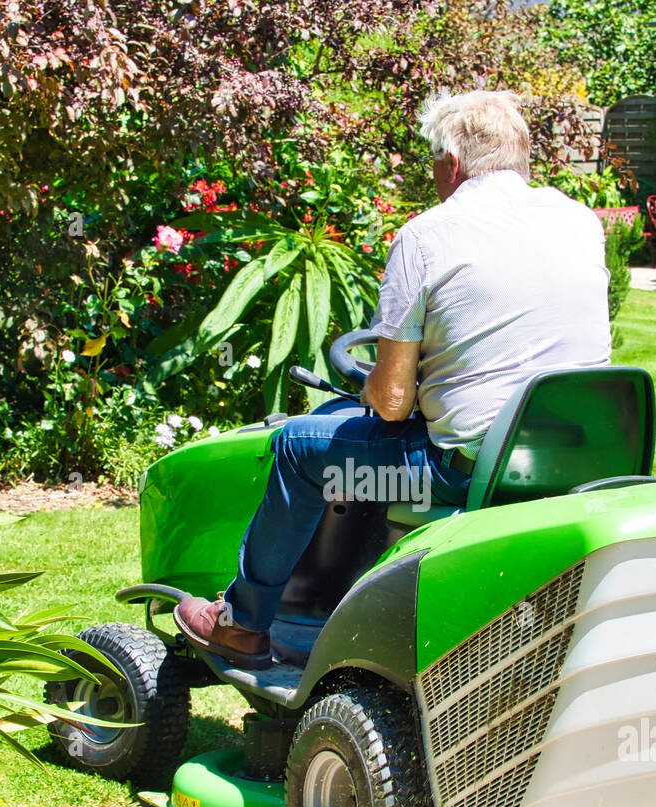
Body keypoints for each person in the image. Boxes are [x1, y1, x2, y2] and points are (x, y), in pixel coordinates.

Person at [176, 89, 613, 669]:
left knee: (296, 446)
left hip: (460, 477)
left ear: (452, 165)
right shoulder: (579, 222)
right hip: (578, 459)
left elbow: (388, 403)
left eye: (433, 162)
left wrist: (374, 388)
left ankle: (244, 622)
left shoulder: (428, 236)